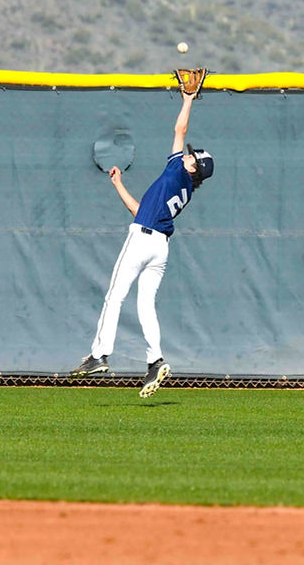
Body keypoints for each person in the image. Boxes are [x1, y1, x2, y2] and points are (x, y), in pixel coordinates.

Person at [70, 88, 214, 397]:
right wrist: (119, 184)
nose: (186, 154)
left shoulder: (178, 170)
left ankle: (99, 354)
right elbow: (139, 210)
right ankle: (154, 360)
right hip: (159, 247)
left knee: (114, 297)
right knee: (145, 304)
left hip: (141, 240)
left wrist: (188, 99)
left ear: (193, 167)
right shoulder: (183, 188)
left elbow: (179, 129)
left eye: (191, 156)